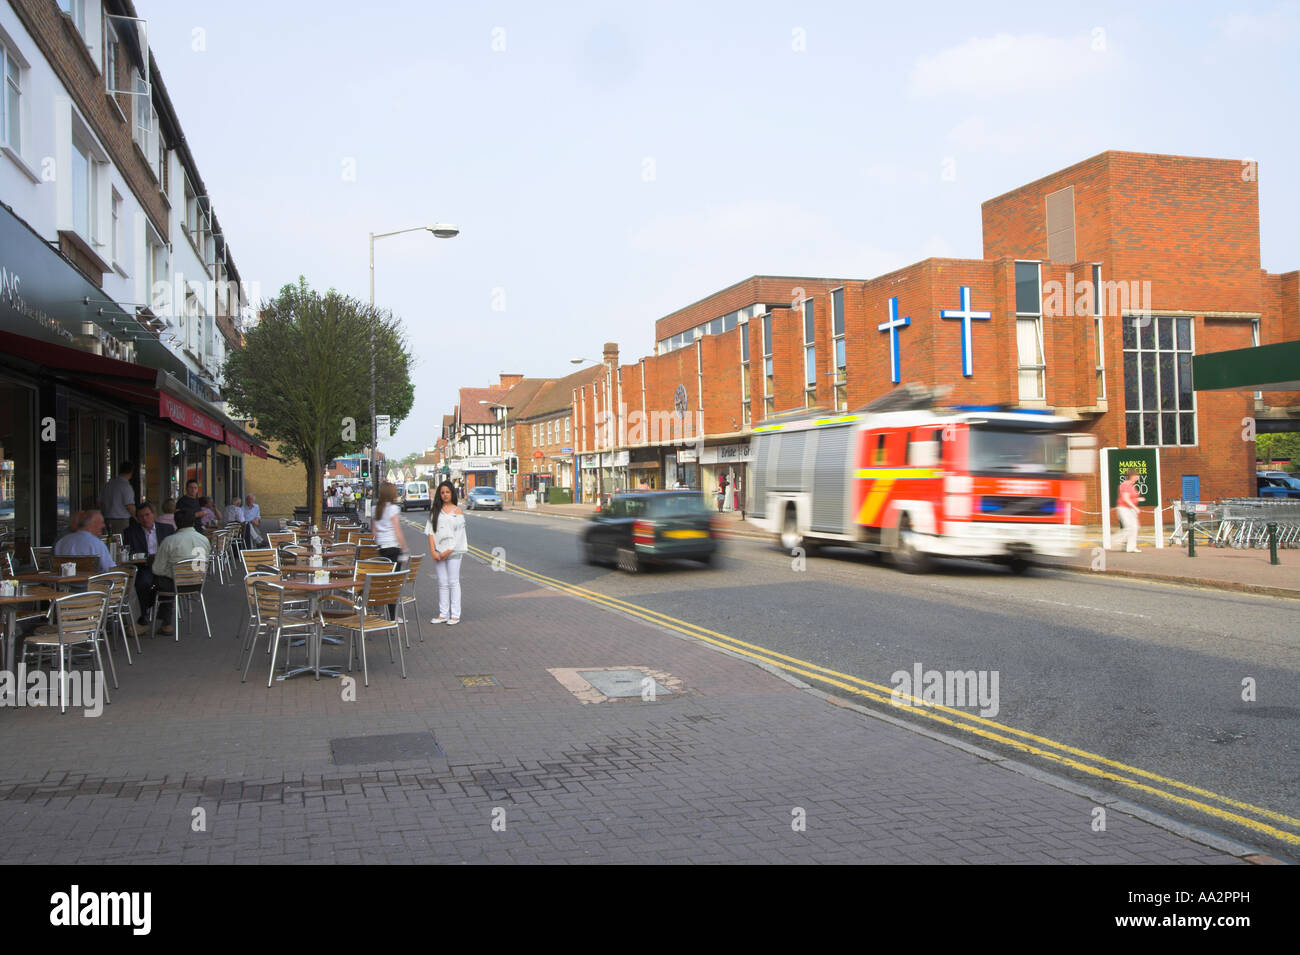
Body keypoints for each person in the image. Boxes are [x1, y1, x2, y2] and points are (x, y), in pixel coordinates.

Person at [150, 509, 210, 635]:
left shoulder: (169, 541)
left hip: (175, 585)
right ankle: (165, 620)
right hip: (197, 583)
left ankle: (162, 620)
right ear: (193, 522)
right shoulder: (204, 539)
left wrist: (171, 571)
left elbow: (157, 569)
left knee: (157, 580)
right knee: (168, 578)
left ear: (176, 523)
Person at [124, 502, 174, 624]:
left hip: (163, 567)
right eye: (141, 516)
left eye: (147, 515)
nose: (144, 519)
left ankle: (166, 621)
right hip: (144, 567)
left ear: (154, 515)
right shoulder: (131, 532)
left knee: (167, 584)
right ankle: (144, 614)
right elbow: (129, 552)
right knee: (143, 583)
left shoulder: (167, 529)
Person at [426, 481, 466, 626]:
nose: (445, 495)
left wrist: (446, 553)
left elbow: (459, 536)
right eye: (442, 492)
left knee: (453, 582)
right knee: (442, 583)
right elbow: (430, 532)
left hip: (453, 552)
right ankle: (443, 614)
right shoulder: (435, 511)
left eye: (447, 492)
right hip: (438, 552)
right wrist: (433, 551)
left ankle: (455, 615)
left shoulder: (458, 511)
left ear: (452, 493)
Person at [372, 483, 408, 618]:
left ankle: (379, 611)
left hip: (381, 549)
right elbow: (397, 531)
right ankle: (393, 616)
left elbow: (374, 531)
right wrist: (405, 550)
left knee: (384, 581)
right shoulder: (393, 509)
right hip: (393, 548)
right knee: (392, 584)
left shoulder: (375, 509)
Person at [101, 461, 137, 536]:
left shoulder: (108, 484)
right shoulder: (126, 486)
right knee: (120, 541)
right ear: (131, 472)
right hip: (121, 520)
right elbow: (129, 506)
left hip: (107, 519)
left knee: (109, 541)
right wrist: (137, 518)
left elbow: (99, 503)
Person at [1115, 468, 1141, 553]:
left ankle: (1131, 547)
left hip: (1129, 509)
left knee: (1134, 527)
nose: (1138, 476)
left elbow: (1131, 497)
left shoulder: (1131, 485)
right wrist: (1135, 507)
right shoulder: (1125, 485)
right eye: (1136, 475)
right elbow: (1125, 498)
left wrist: (1139, 499)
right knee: (1129, 527)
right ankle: (1115, 541)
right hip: (1124, 509)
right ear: (1132, 476)